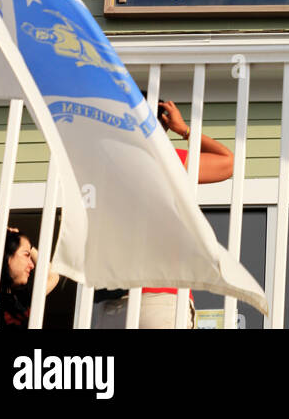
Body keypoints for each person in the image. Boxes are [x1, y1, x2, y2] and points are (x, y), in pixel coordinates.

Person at [93, 98, 234, 330]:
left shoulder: (104, 164)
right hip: (159, 297)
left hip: (112, 301)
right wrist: (185, 130)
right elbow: (227, 162)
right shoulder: (166, 162)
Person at [0, 225, 59, 328]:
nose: (32, 265)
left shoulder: (21, 298)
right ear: (6, 256)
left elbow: (53, 275)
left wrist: (29, 246)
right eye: (26, 255)